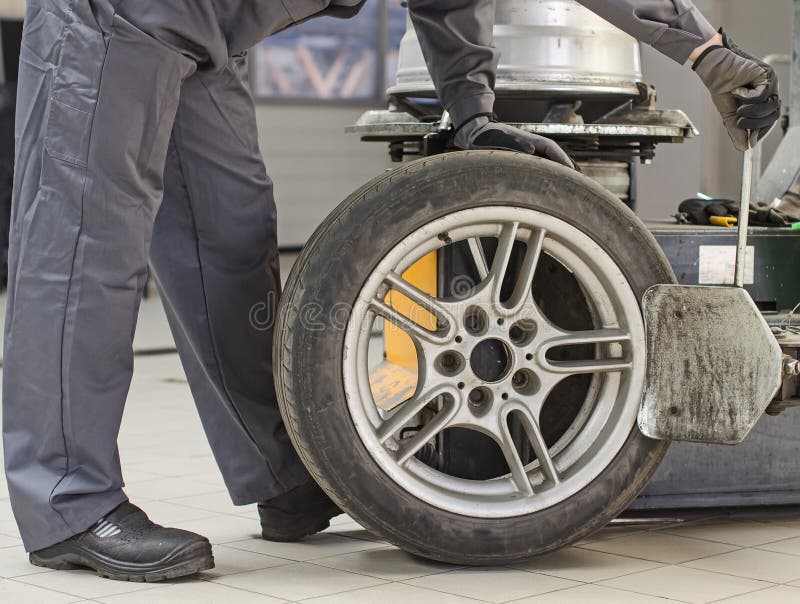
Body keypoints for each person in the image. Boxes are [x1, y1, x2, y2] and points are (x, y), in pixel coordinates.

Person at [2, 0, 780, 583]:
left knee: (230, 246)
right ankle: (69, 502)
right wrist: (705, 49)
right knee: (85, 247)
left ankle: (284, 477)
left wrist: (471, 114)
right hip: (113, 16)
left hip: (209, 36)